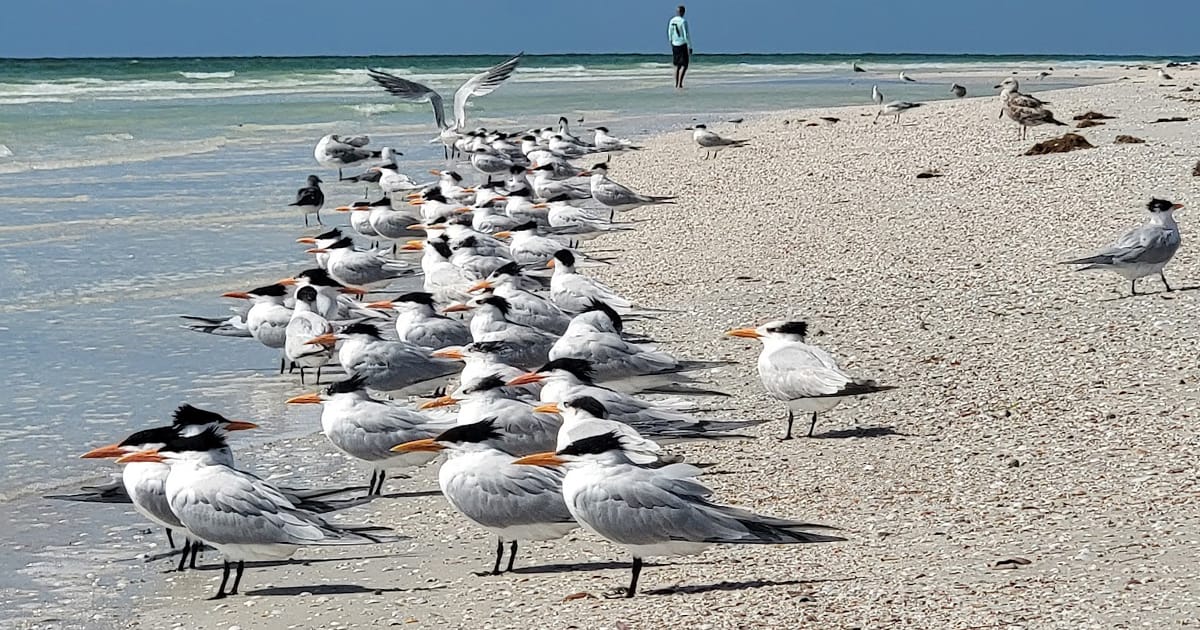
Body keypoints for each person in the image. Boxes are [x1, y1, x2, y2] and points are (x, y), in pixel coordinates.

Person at [668, 5, 692, 89]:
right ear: (683, 12)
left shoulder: (672, 20)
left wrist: (671, 41)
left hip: (675, 44)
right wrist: (689, 46)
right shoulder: (683, 21)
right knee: (685, 65)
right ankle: (680, 83)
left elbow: (669, 33)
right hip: (682, 44)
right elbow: (686, 35)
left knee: (677, 65)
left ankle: (676, 83)